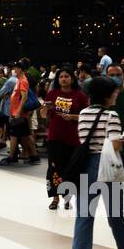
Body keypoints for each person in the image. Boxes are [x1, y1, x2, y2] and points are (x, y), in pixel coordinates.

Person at [70, 76, 124, 249]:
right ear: (107, 95)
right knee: (114, 212)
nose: (117, 94)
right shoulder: (112, 116)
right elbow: (115, 145)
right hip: (108, 165)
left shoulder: (83, 113)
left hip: (87, 164)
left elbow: (85, 138)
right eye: (115, 92)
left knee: (85, 211)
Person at [42, 68, 87, 210]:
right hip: (55, 136)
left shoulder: (79, 95)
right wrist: (45, 108)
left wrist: (72, 117)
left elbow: (86, 115)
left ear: (72, 79)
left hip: (74, 138)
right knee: (54, 168)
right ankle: (55, 198)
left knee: (70, 168)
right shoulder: (52, 93)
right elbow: (44, 115)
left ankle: (67, 198)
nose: (63, 79)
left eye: (66, 76)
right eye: (60, 77)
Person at [0, 60, 31, 165]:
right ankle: (31, 155)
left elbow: (24, 98)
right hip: (16, 112)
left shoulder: (23, 81)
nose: (14, 70)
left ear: (20, 69)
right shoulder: (19, 80)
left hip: (18, 113)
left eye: (15, 68)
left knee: (14, 135)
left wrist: (18, 111)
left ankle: (12, 157)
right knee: (23, 135)